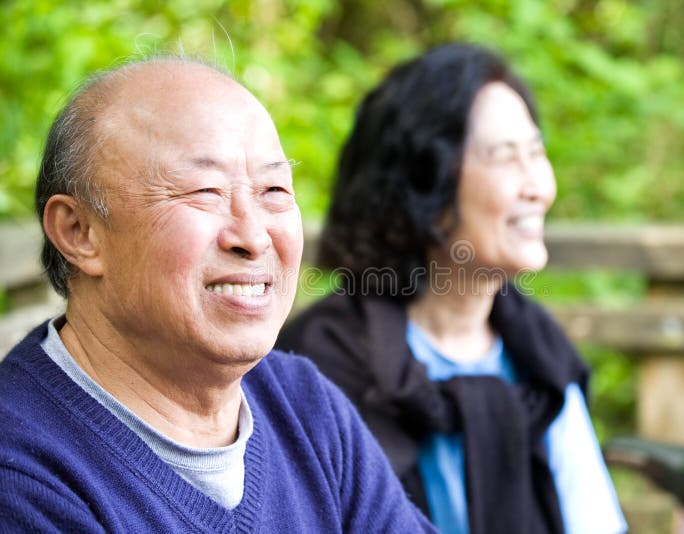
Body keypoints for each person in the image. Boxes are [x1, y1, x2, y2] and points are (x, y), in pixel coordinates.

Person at [0, 57, 436, 533]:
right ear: (80, 232)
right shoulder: (24, 476)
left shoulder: (302, 405)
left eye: (273, 189)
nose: (253, 235)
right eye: (204, 190)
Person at [277, 44, 627, 534]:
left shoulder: (538, 352)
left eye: (537, 152)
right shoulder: (321, 363)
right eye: (506, 158)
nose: (538, 186)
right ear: (426, 185)